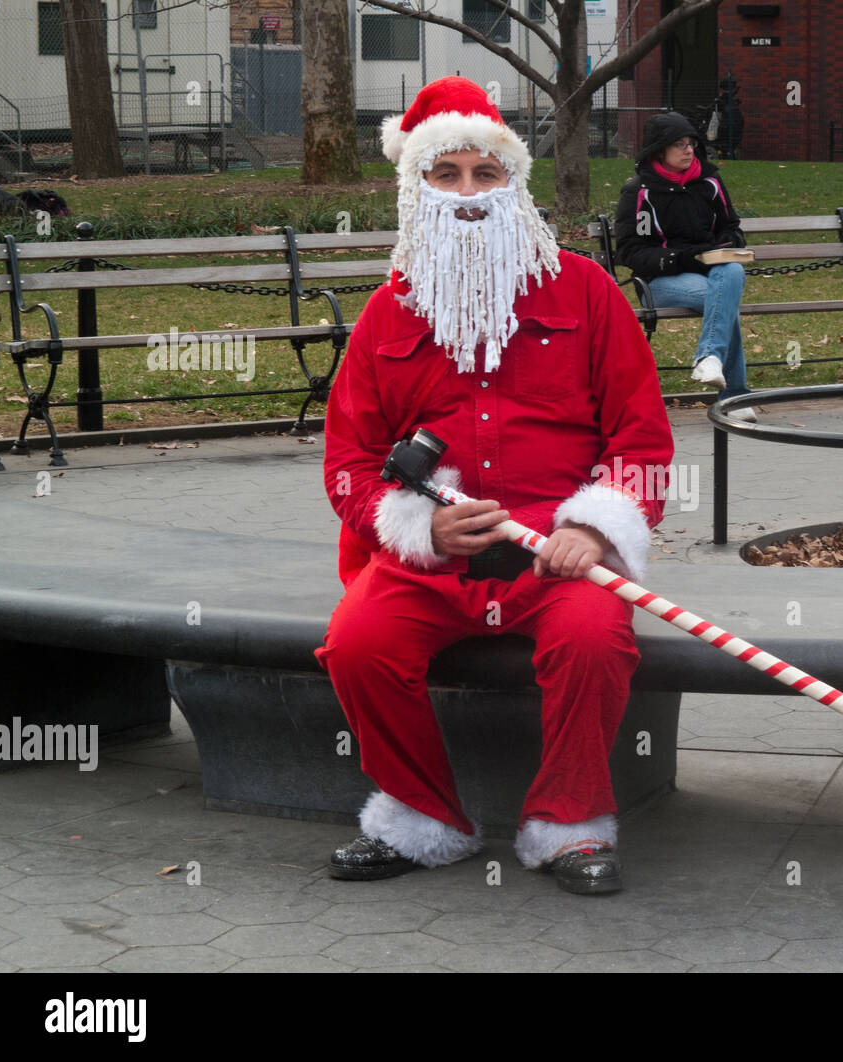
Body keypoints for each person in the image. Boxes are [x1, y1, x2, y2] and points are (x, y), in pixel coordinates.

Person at [316, 76, 674, 895]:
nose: (470, 192)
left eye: (488, 173)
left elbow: (643, 440)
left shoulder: (586, 292)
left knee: (594, 640)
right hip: (430, 557)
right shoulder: (385, 316)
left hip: (558, 552)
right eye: (447, 175)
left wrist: (595, 529)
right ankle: (425, 816)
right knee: (357, 646)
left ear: (515, 185)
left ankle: (570, 823)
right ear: (417, 190)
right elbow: (348, 462)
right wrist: (416, 528)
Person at [613, 111, 756, 422]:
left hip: (715, 272)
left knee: (731, 271)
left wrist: (727, 245)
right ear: (659, 149)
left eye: (691, 143)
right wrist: (680, 259)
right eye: (679, 144)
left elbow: (732, 227)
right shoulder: (640, 192)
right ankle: (735, 395)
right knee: (721, 298)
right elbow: (631, 252)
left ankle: (709, 358)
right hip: (661, 281)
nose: (688, 150)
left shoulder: (710, 182)